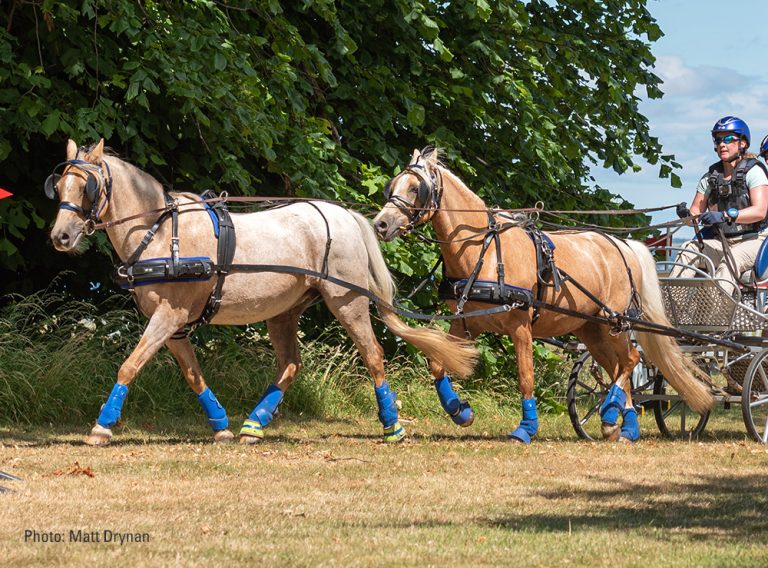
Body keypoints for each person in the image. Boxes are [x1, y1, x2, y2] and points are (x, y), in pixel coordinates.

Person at [671, 116, 768, 292]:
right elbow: (695, 214)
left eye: (729, 139)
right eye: (718, 140)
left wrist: (724, 216)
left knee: (731, 260)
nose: (722, 144)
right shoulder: (710, 178)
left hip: (756, 240)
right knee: (688, 249)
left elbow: (760, 211)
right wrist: (686, 215)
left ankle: (717, 316)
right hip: (722, 241)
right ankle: (671, 311)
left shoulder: (754, 172)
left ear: (743, 143)